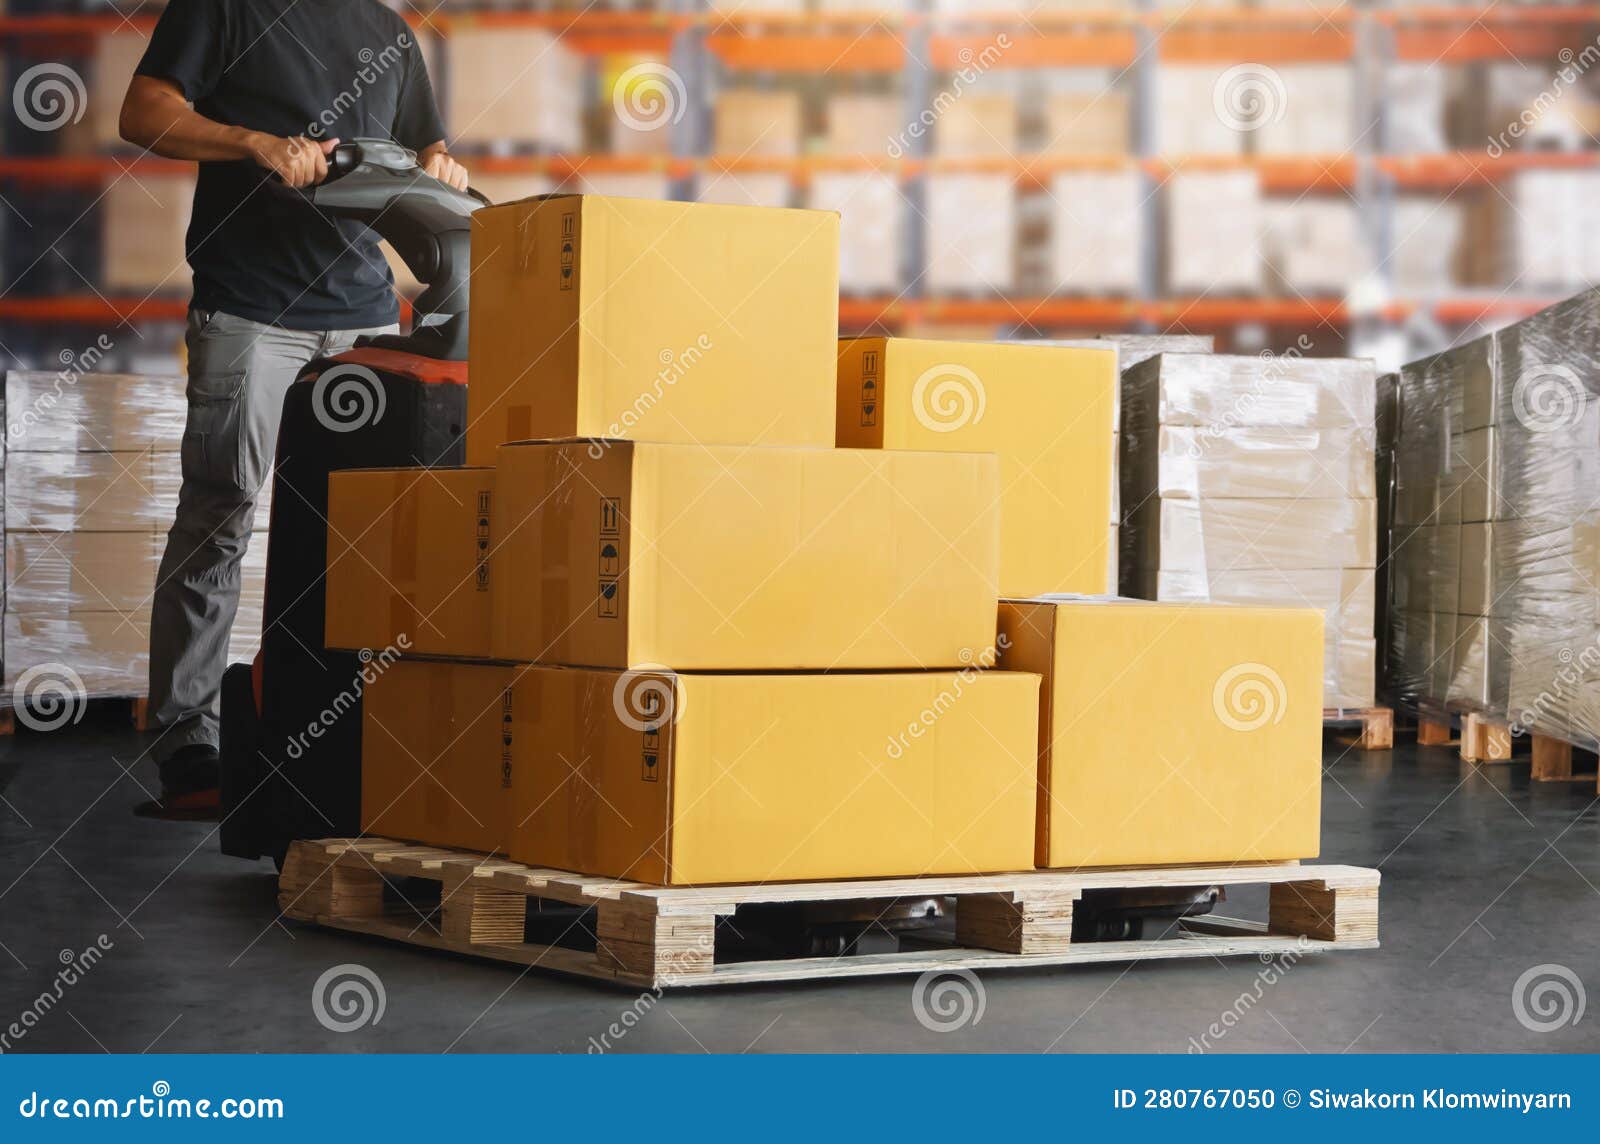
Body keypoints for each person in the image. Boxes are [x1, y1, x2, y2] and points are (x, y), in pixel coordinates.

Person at [118, 0, 468, 817]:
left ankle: (359, 733)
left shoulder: (384, 31)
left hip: (367, 314)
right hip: (251, 308)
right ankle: (189, 748)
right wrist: (254, 143)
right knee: (223, 508)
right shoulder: (224, 9)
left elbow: (429, 144)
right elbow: (143, 111)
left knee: (377, 529)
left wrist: (444, 164)